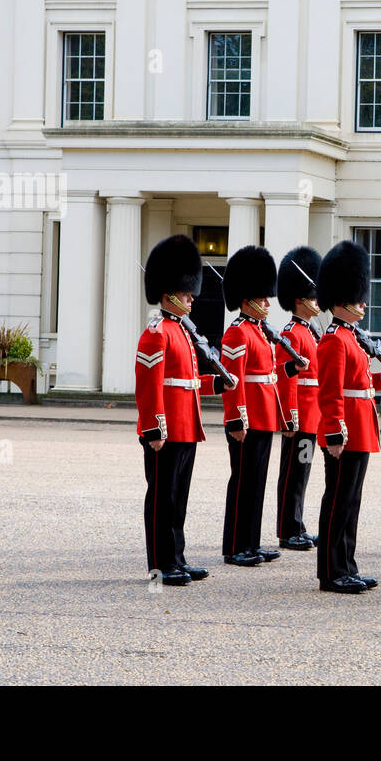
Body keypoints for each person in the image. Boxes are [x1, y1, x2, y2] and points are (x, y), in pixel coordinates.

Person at [135, 235, 235, 587]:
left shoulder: (182, 331)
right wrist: (154, 428)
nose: (192, 297)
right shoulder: (156, 332)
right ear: (168, 293)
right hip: (166, 429)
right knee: (162, 498)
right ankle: (160, 565)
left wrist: (216, 385)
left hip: (186, 425)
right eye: (186, 291)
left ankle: (176, 557)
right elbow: (149, 386)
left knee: (178, 499)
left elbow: (187, 382)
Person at [315, 240, 381, 593]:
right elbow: (331, 392)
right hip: (346, 431)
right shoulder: (335, 340)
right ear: (341, 299)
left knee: (351, 500)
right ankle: (331, 571)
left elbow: (360, 383)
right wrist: (335, 434)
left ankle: (347, 565)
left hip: (361, 426)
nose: (364, 303)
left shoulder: (351, 338)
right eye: (357, 296)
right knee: (338, 499)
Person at [220, 245, 296, 567]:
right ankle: (235, 546)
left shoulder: (260, 333)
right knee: (243, 482)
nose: (268, 303)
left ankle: (251, 542)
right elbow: (232, 381)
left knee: (257, 483)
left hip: (263, 417)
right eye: (263, 298)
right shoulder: (237, 333)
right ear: (246, 299)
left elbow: (270, 376)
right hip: (247, 419)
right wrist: (237, 420)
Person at [274, 246, 323, 551]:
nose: (317, 301)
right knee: (293, 473)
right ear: (299, 300)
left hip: (312, 414)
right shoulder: (292, 333)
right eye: (312, 296)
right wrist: (289, 417)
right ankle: (287, 529)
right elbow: (285, 376)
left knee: (302, 472)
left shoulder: (311, 331)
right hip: (300, 416)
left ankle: (297, 525)